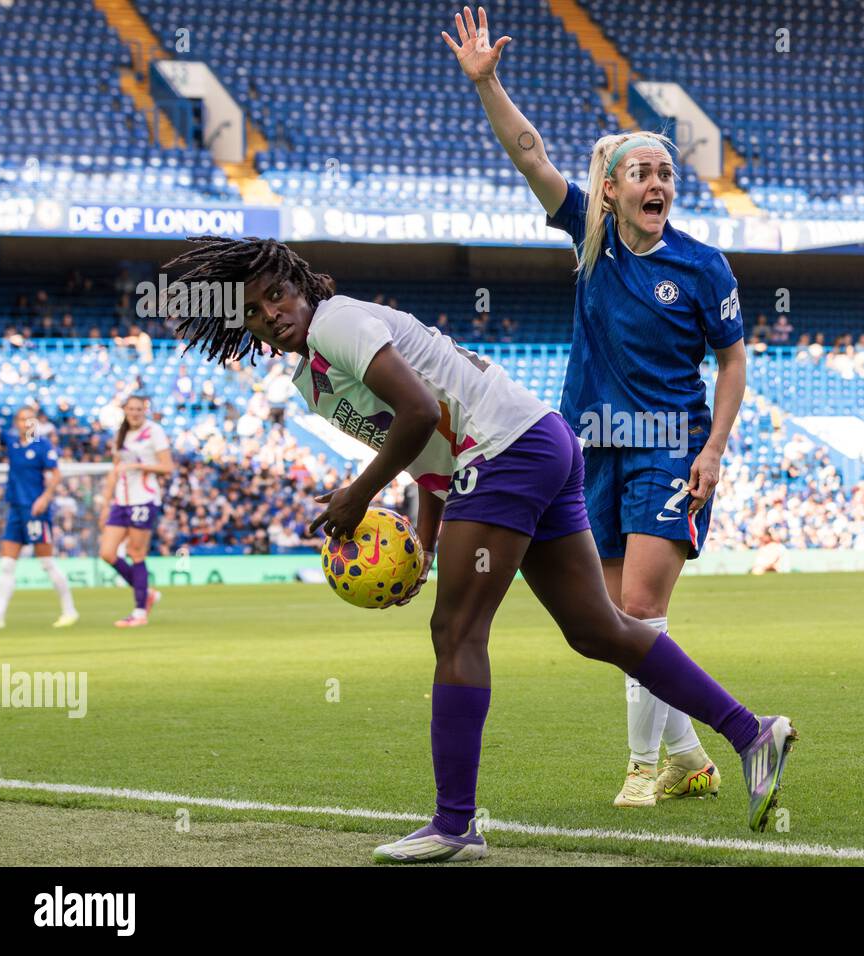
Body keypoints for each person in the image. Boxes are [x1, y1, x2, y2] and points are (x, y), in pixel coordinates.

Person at [159, 233, 795, 863]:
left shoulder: (337, 323)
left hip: (504, 451)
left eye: (276, 294)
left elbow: (413, 414)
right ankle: (751, 733)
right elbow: (431, 451)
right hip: (531, 444)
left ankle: (455, 824)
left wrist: (356, 495)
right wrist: (427, 547)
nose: (272, 314)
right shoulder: (314, 379)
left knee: (456, 632)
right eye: (252, 311)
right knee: (597, 628)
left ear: (300, 285)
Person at [450, 5, 748, 808]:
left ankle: (641, 768)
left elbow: (731, 361)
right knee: (619, 621)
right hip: (591, 450)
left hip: (667, 449)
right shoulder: (592, 242)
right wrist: (489, 86)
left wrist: (713, 448)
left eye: (667, 175)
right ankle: (687, 754)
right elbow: (531, 155)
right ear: (611, 189)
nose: (658, 184)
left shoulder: (704, 266)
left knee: (642, 608)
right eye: (642, 174)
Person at [0, 408, 78, 628]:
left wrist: (45, 498)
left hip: (35, 511)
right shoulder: (12, 442)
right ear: (16, 422)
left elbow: (56, 474)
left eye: (30, 419)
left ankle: (69, 611)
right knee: (7, 564)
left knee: (46, 562)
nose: (26, 423)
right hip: (16, 510)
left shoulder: (42, 446)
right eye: (22, 419)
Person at [98, 396, 172, 627]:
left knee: (135, 552)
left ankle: (140, 612)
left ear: (144, 410)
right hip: (121, 500)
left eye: (139, 409)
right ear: (125, 411)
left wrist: (139, 466)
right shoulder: (120, 434)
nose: (135, 413)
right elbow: (115, 470)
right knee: (107, 553)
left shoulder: (154, 431)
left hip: (143, 498)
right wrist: (105, 504)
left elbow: (167, 467)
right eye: (131, 409)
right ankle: (146, 592)